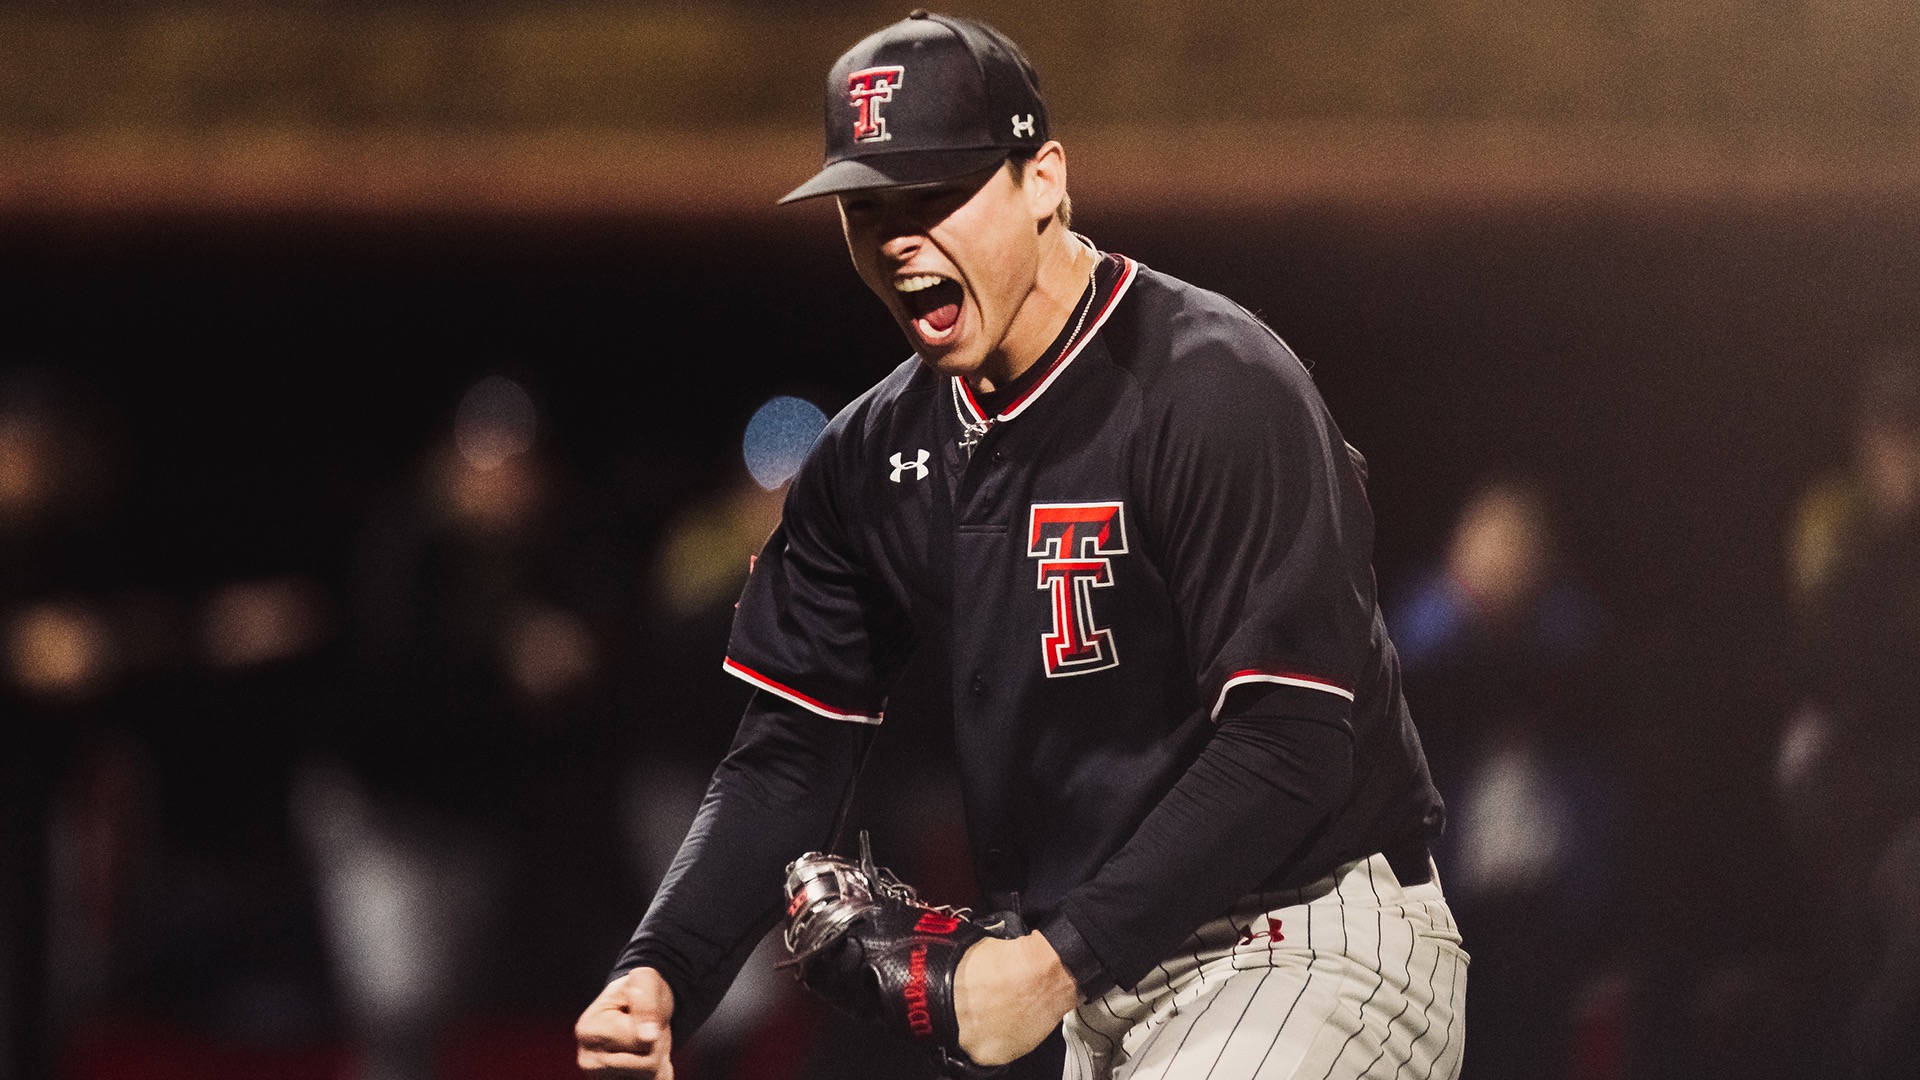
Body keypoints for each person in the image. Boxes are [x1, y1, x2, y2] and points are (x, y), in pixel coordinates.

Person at [576, 12, 1464, 1080]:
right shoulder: (867, 458)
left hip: (1304, 939)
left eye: (936, 196)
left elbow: (1291, 743)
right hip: (1097, 978)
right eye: (867, 208)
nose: (899, 238)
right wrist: (662, 968)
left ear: (1044, 178)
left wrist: (1049, 968)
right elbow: (789, 751)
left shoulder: (1214, 385)